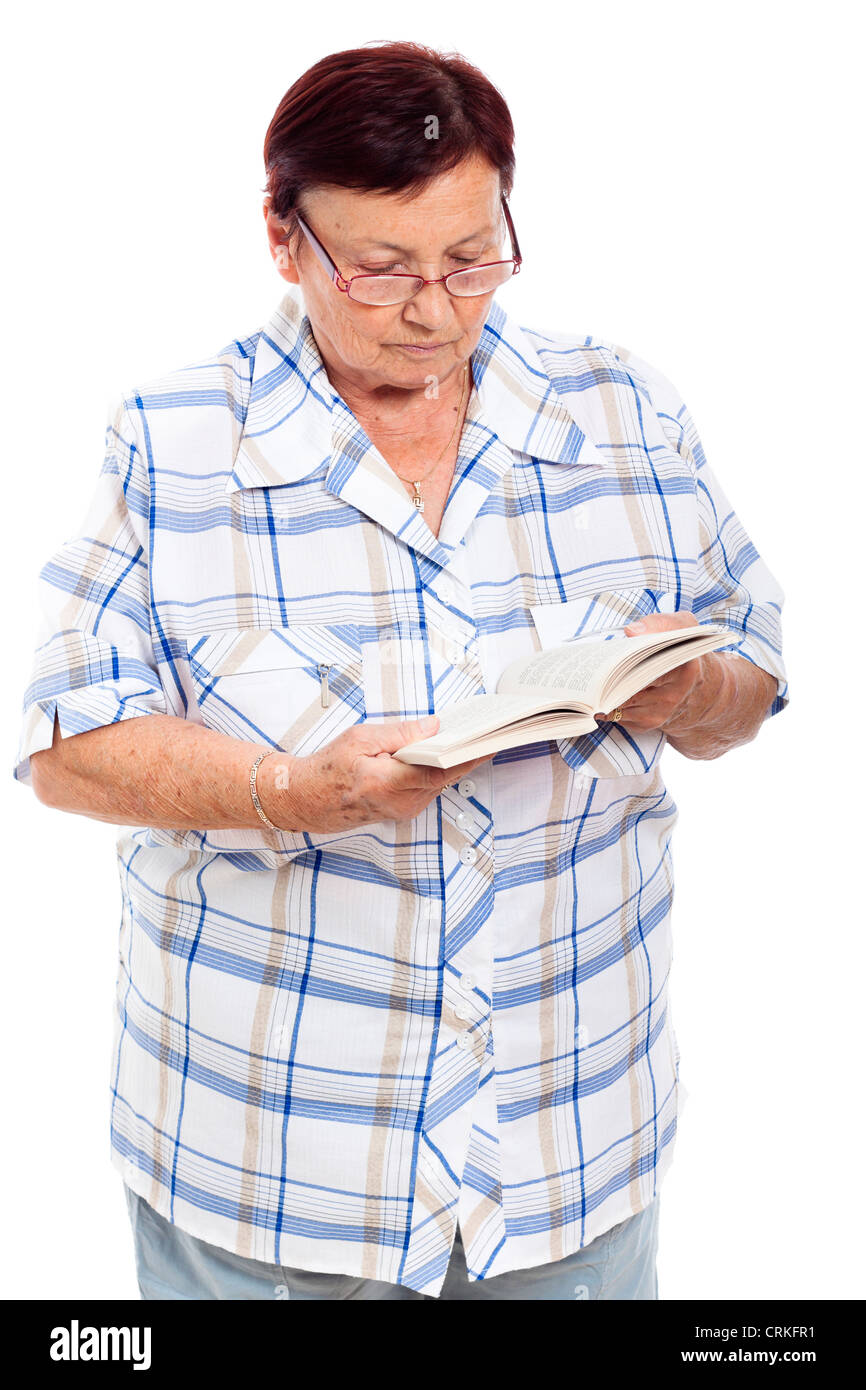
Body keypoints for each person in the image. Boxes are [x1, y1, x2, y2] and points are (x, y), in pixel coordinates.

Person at [13, 41, 788, 1301]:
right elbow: (68, 747)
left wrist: (688, 692)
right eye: (381, 268)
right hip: (271, 1175)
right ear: (282, 237)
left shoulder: (624, 409)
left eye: (473, 256)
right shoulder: (175, 437)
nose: (436, 308)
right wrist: (289, 790)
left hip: (569, 1160)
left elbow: (748, 678)